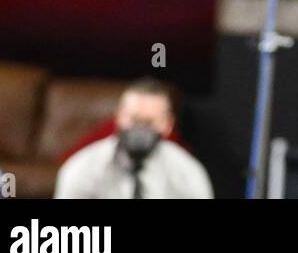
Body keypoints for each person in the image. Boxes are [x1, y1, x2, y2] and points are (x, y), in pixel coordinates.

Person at [54, 79, 212, 199]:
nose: (140, 130)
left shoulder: (186, 172)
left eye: (149, 122)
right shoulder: (83, 168)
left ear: (168, 124)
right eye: (134, 120)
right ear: (118, 118)